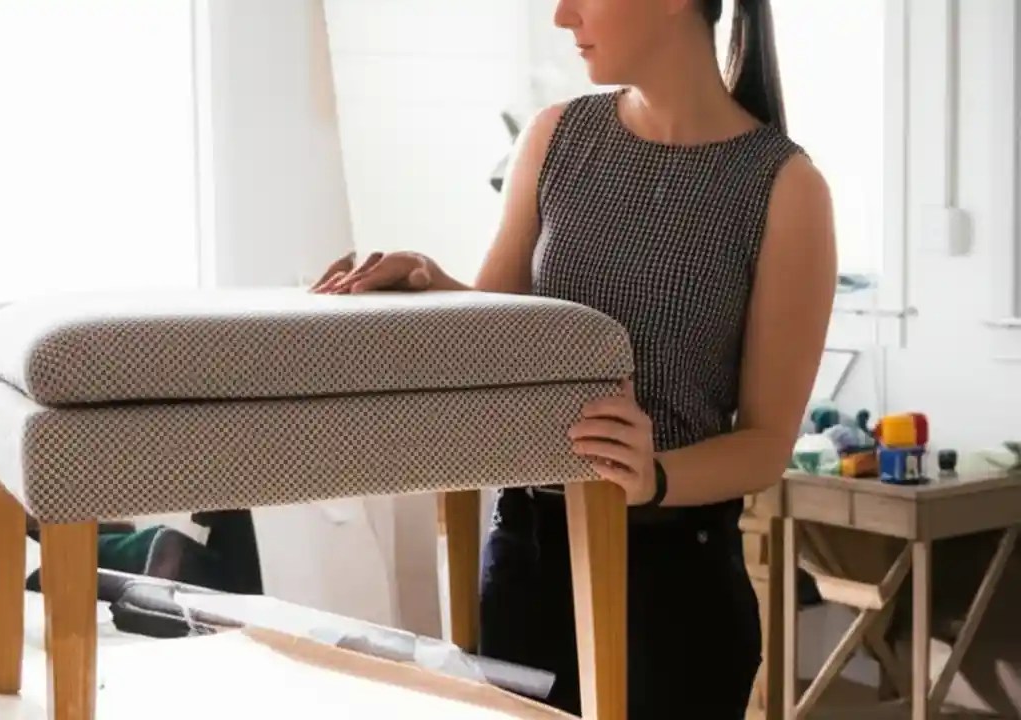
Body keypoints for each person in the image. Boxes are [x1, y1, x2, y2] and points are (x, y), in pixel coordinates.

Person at [310, 0, 836, 716]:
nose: (562, 15)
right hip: (527, 561)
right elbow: (503, 338)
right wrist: (429, 284)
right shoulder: (556, 138)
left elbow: (767, 444)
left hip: (677, 593)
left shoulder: (785, 188)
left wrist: (651, 477)